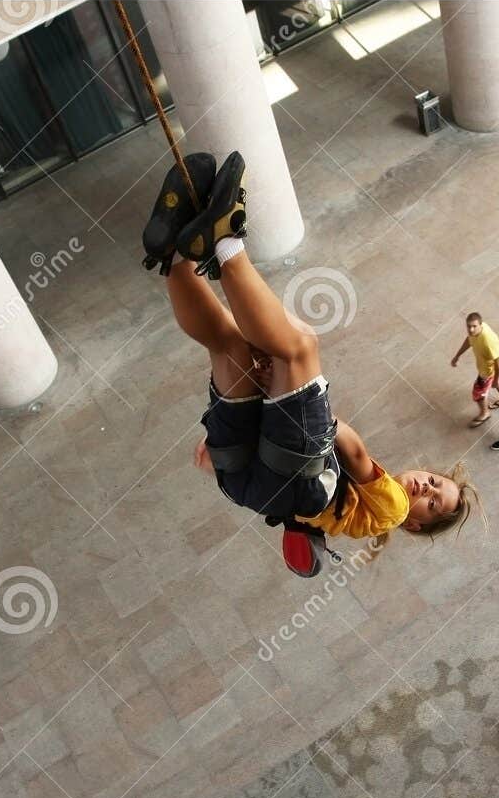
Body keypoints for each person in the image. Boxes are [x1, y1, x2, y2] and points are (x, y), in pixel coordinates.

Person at [146, 151, 479, 561]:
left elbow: (353, 452)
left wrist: (317, 410)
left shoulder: (392, 510)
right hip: (246, 476)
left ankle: (225, 241)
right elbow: (269, 482)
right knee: (229, 344)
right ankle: (175, 258)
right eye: (433, 481)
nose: (426, 489)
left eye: (432, 503)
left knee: (301, 349)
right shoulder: (356, 515)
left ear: (414, 525)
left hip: (292, 477)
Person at [449, 312, 499, 428]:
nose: (471, 329)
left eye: (474, 326)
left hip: (487, 371)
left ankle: (485, 413)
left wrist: (493, 379)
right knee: (497, 381)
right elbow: (469, 340)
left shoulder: (488, 340)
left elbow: (498, 362)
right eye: (468, 326)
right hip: (486, 367)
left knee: (478, 394)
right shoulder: (475, 332)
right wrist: (457, 355)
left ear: (480, 325)